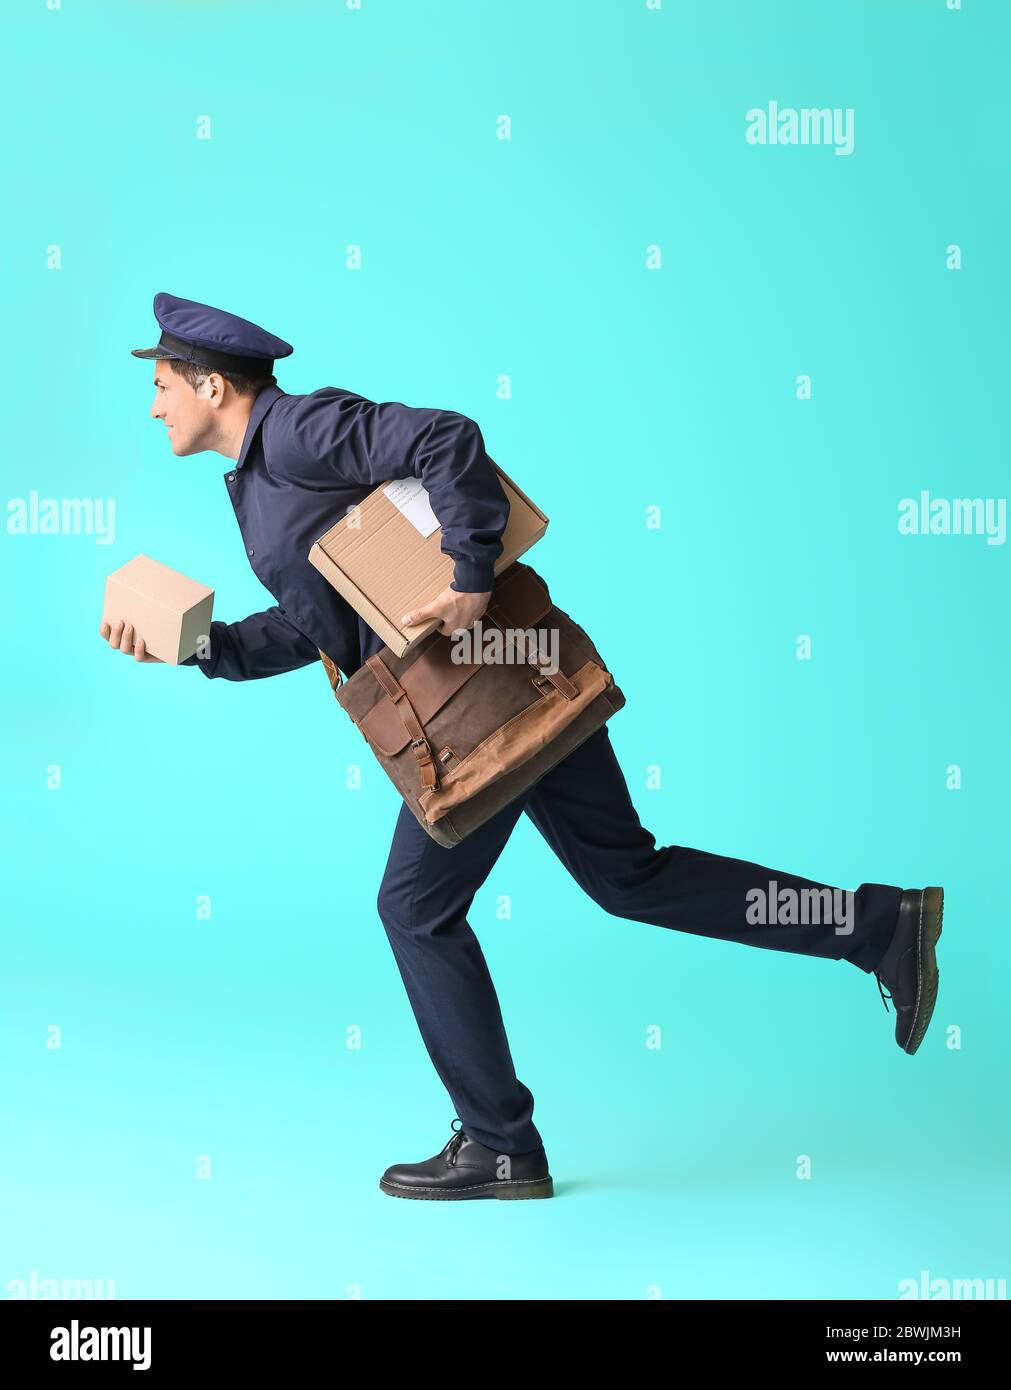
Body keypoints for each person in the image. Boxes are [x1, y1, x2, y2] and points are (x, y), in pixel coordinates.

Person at [101, 292, 946, 1202]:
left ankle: (501, 1145)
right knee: (628, 874)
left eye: (160, 386)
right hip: (507, 681)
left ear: (212, 384)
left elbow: (446, 438)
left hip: (484, 699)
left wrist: (469, 577)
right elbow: (328, 623)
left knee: (413, 909)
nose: (154, 405)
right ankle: (875, 924)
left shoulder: (300, 432)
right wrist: (203, 648)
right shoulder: (262, 480)